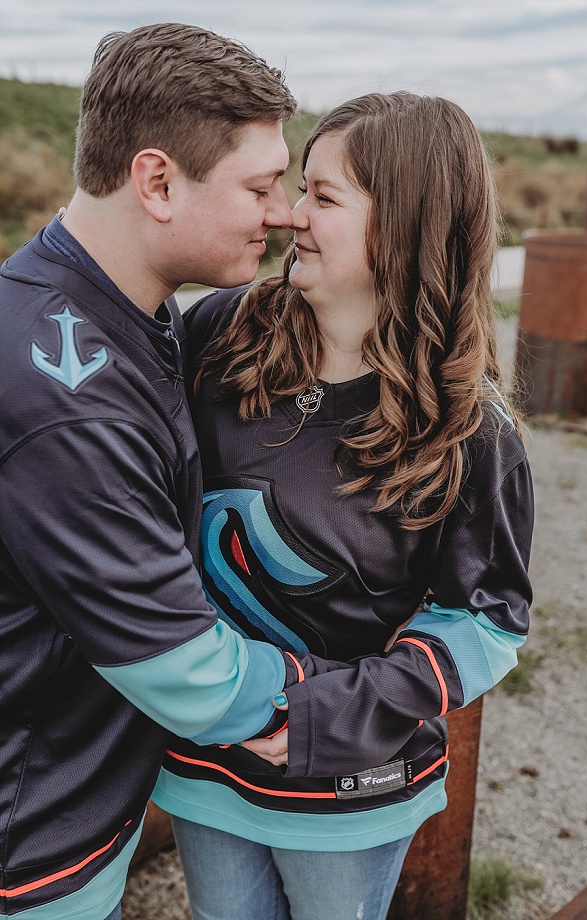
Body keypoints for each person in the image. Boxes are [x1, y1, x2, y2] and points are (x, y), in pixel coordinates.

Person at [149, 91, 532, 920]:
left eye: (322, 198)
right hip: (207, 762)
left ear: (401, 227)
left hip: (348, 788)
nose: (289, 215)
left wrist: (332, 716)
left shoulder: (469, 427)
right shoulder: (219, 334)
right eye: (299, 189)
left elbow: (490, 620)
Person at [0, 23, 346, 920]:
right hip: (30, 844)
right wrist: (340, 698)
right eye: (260, 186)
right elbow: (179, 667)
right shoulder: (68, 398)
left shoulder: (116, 310)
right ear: (155, 181)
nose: (281, 213)